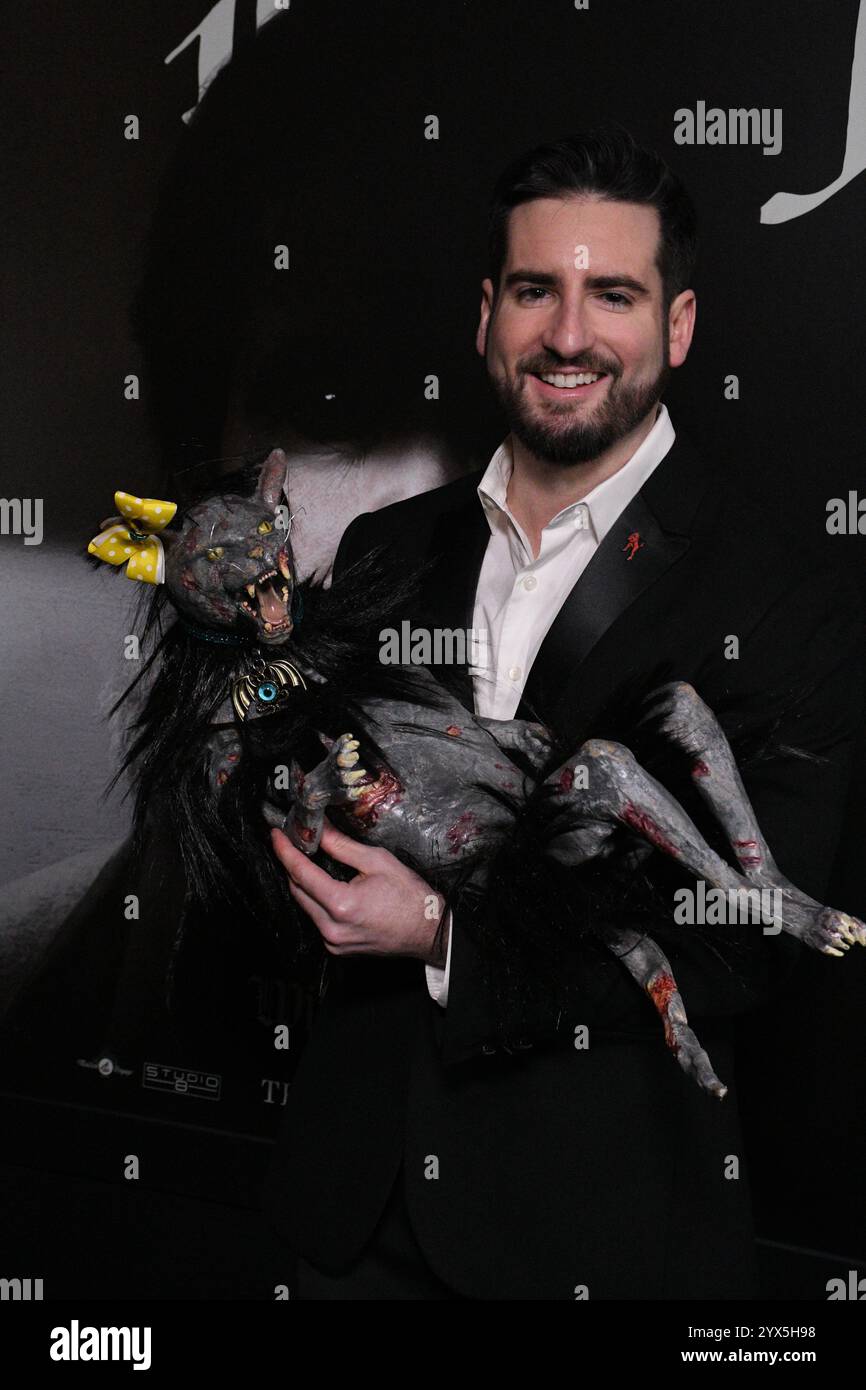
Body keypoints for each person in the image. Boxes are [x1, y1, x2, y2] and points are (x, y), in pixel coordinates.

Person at [258, 126, 865, 1299]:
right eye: (536, 290)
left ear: (677, 327)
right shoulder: (387, 550)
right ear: (487, 313)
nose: (569, 335)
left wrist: (442, 939)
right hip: (343, 1223)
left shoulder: (781, 592)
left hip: (590, 1244)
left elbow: (744, 935)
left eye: (613, 295)